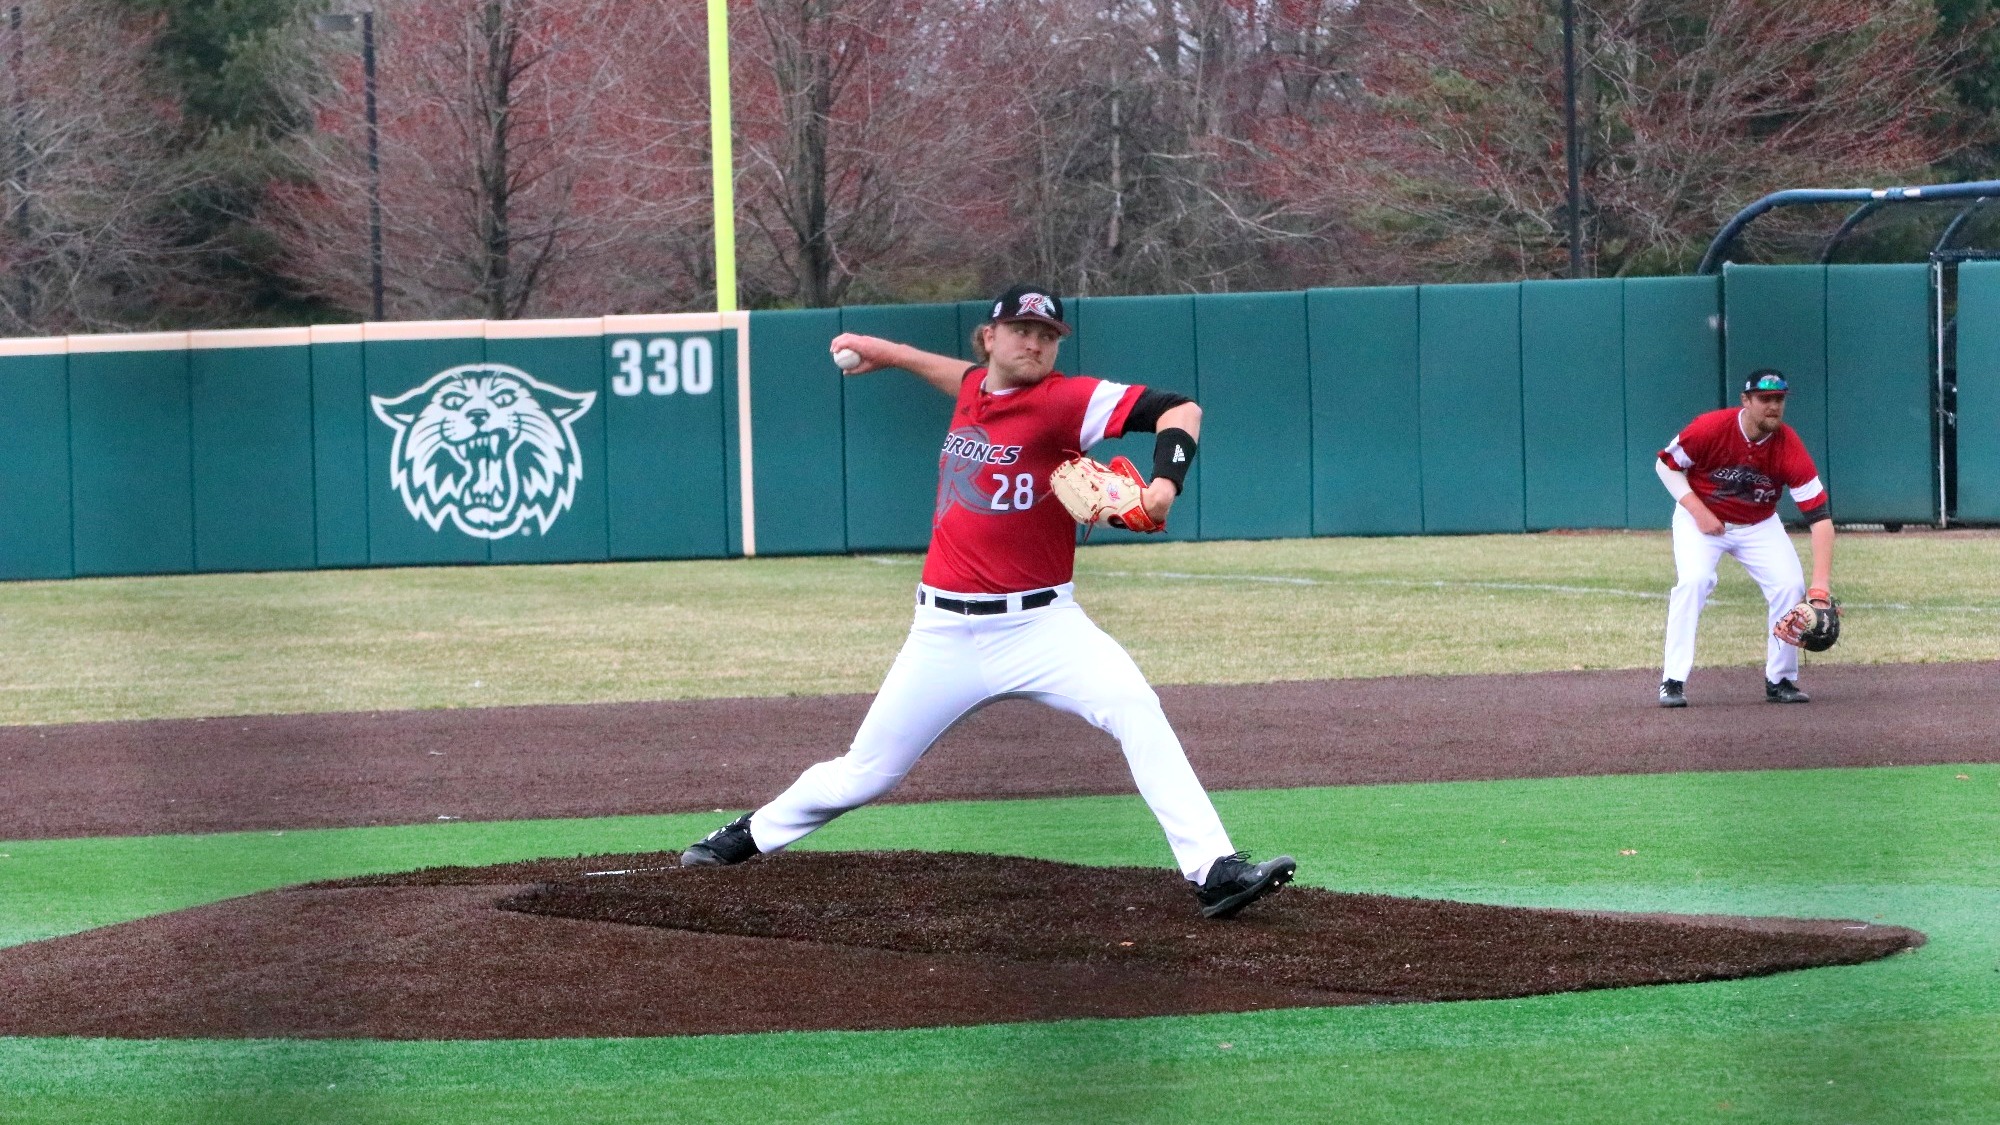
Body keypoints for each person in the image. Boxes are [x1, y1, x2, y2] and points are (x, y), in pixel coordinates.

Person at [679, 284, 1296, 920]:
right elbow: (957, 376)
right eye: (1023, 329)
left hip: (1044, 628)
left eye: (1048, 335)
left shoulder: (1066, 401)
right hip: (942, 634)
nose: (1035, 342)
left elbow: (1180, 409)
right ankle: (748, 834)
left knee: (1135, 707)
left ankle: (1213, 869)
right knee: (865, 773)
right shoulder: (976, 388)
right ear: (990, 336)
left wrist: (1164, 486)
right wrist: (887, 352)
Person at [1655, 369, 1835, 707]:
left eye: (1778, 399)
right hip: (1701, 519)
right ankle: (1673, 680)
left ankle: (1780, 680)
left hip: (1759, 524)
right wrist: (1698, 510)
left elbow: (1821, 521)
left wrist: (1820, 590)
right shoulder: (1710, 428)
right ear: (1746, 401)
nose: (1773, 406)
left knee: (1790, 586)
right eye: (1764, 399)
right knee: (1694, 581)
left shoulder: (1788, 445)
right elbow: (1665, 466)